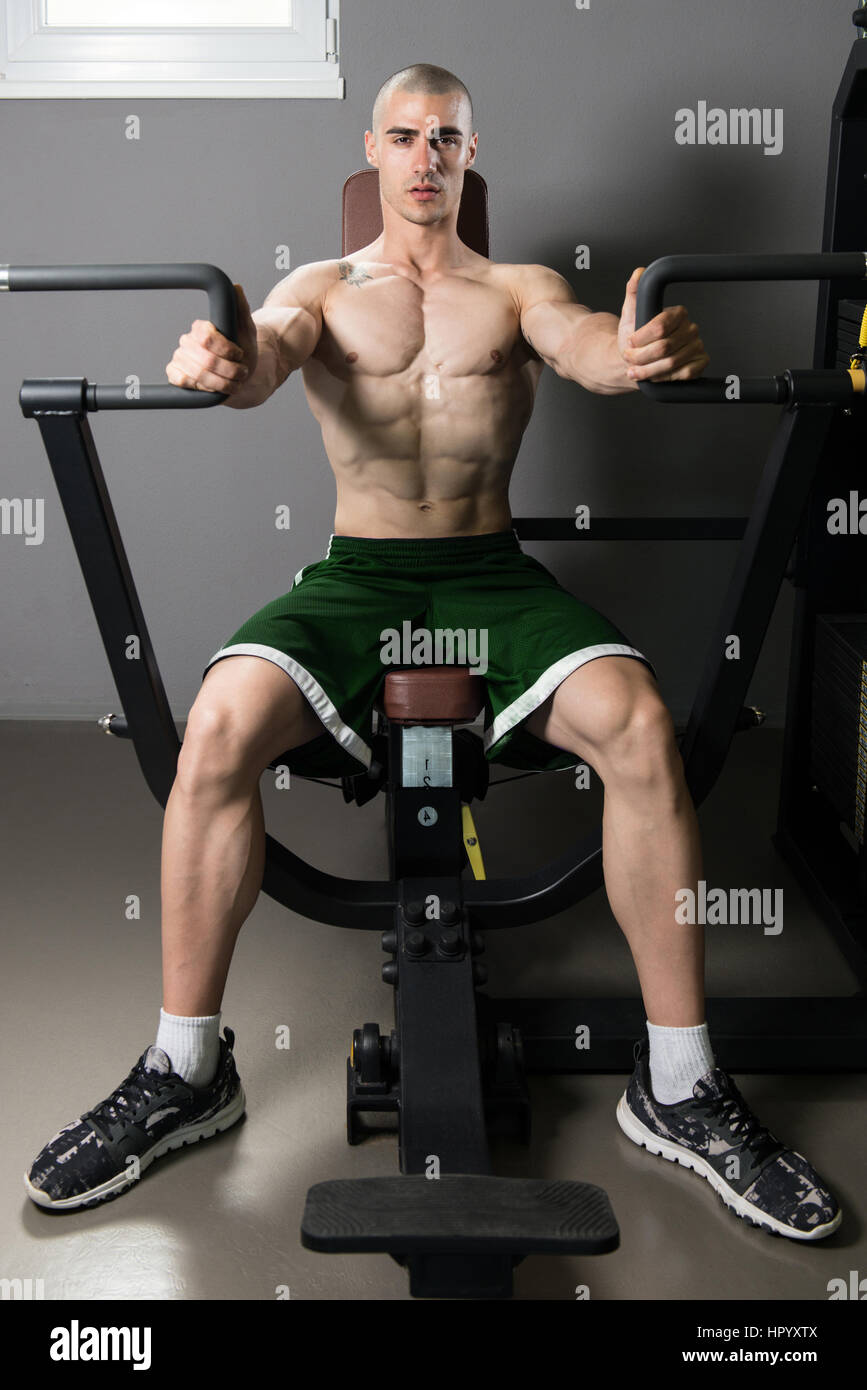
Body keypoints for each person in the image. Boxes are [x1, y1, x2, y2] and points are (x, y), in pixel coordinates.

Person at [25, 62, 840, 1244]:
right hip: (357, 580)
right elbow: (264, 354)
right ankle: (187, 1068)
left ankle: (678, 1081)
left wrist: (641, 351)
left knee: (642, 723)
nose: (423, 159)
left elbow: (584, 349)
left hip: (492, 576)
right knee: (216, 728)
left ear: (468, 155)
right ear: (372, 150)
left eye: (445, 139)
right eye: (403, 136)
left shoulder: (516, 287)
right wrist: (219, 360)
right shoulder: (322, 284)